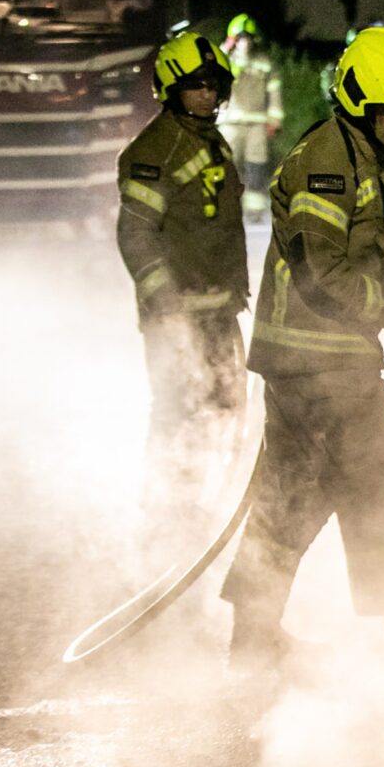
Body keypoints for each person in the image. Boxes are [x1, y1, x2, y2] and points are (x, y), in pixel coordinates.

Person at [220, 26, 384, 670]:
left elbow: (375, 265)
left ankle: (252, 639)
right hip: (319, 359)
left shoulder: (364, 157)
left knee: (292, 495)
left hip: (313, 359)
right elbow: (321, 274)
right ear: (360, 98)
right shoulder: (330, 160)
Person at [115, 31, 248, 540]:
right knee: (177, 415)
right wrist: (166, 307)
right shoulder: (153, 150)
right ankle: (163, 521)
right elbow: (135, 233)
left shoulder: (208, 139)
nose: (209, 95)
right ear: (172, 88)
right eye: (197, 86)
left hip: (217, 312)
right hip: (177, 318)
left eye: (215, 85)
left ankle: (197, 512)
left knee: (220, 410)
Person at [219, 13, 284, 221]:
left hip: (257, 125)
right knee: (227, 167)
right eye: (240, 38)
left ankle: (254, 211)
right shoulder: (225, 61)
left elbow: (274, 93)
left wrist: (275, 119)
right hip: (229, 124)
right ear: (233, 39)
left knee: (256, 167)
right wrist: (224, 49)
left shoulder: (264, 62)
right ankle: (226, 209)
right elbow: (213, 70)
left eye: (248, 38)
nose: (245, 42)